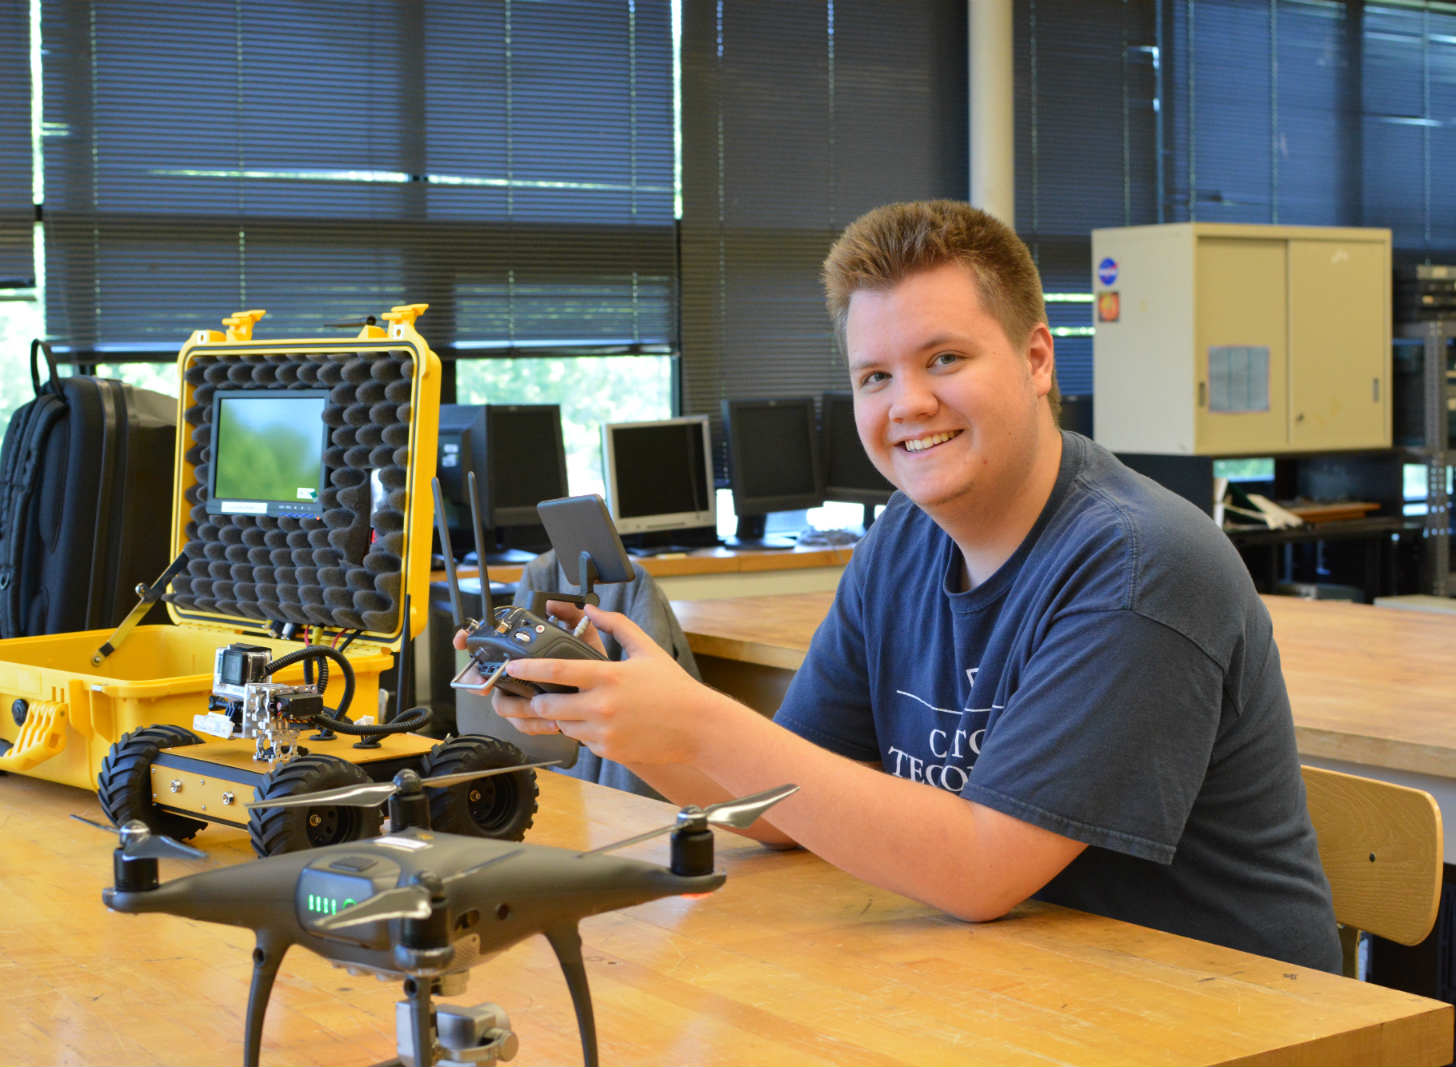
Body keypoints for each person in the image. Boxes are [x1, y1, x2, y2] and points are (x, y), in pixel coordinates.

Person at [459, 199, 1340, 972]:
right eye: (874, 376)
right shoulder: (903, 540)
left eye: (944, 358)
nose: (906, 403)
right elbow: (777, 814)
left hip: (1214, 1010)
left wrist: (699, 717)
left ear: (1037, 359)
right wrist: (617, 715)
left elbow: (980, 870)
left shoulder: (1139, 564)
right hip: (1022, 974)